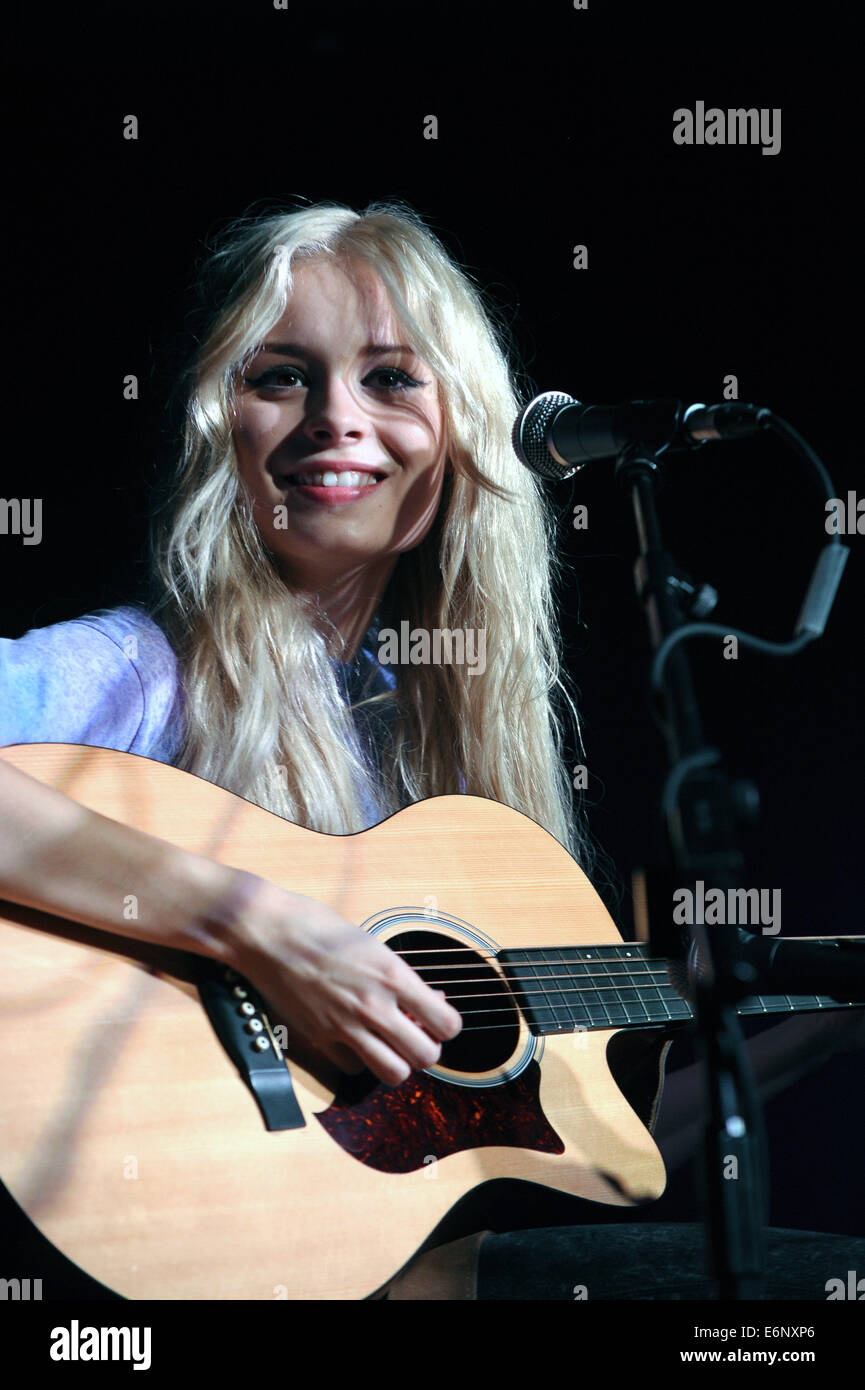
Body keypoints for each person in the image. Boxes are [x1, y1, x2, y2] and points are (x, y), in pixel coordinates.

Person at [0, 199, 861, 1300]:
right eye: (281, 376)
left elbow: (572, 1165)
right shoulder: (134, 669)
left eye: (392, 379)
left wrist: (815, 1013)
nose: (334, 417)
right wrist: (258, 925)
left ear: (462, 428)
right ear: (226, 425)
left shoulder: (439, 753)